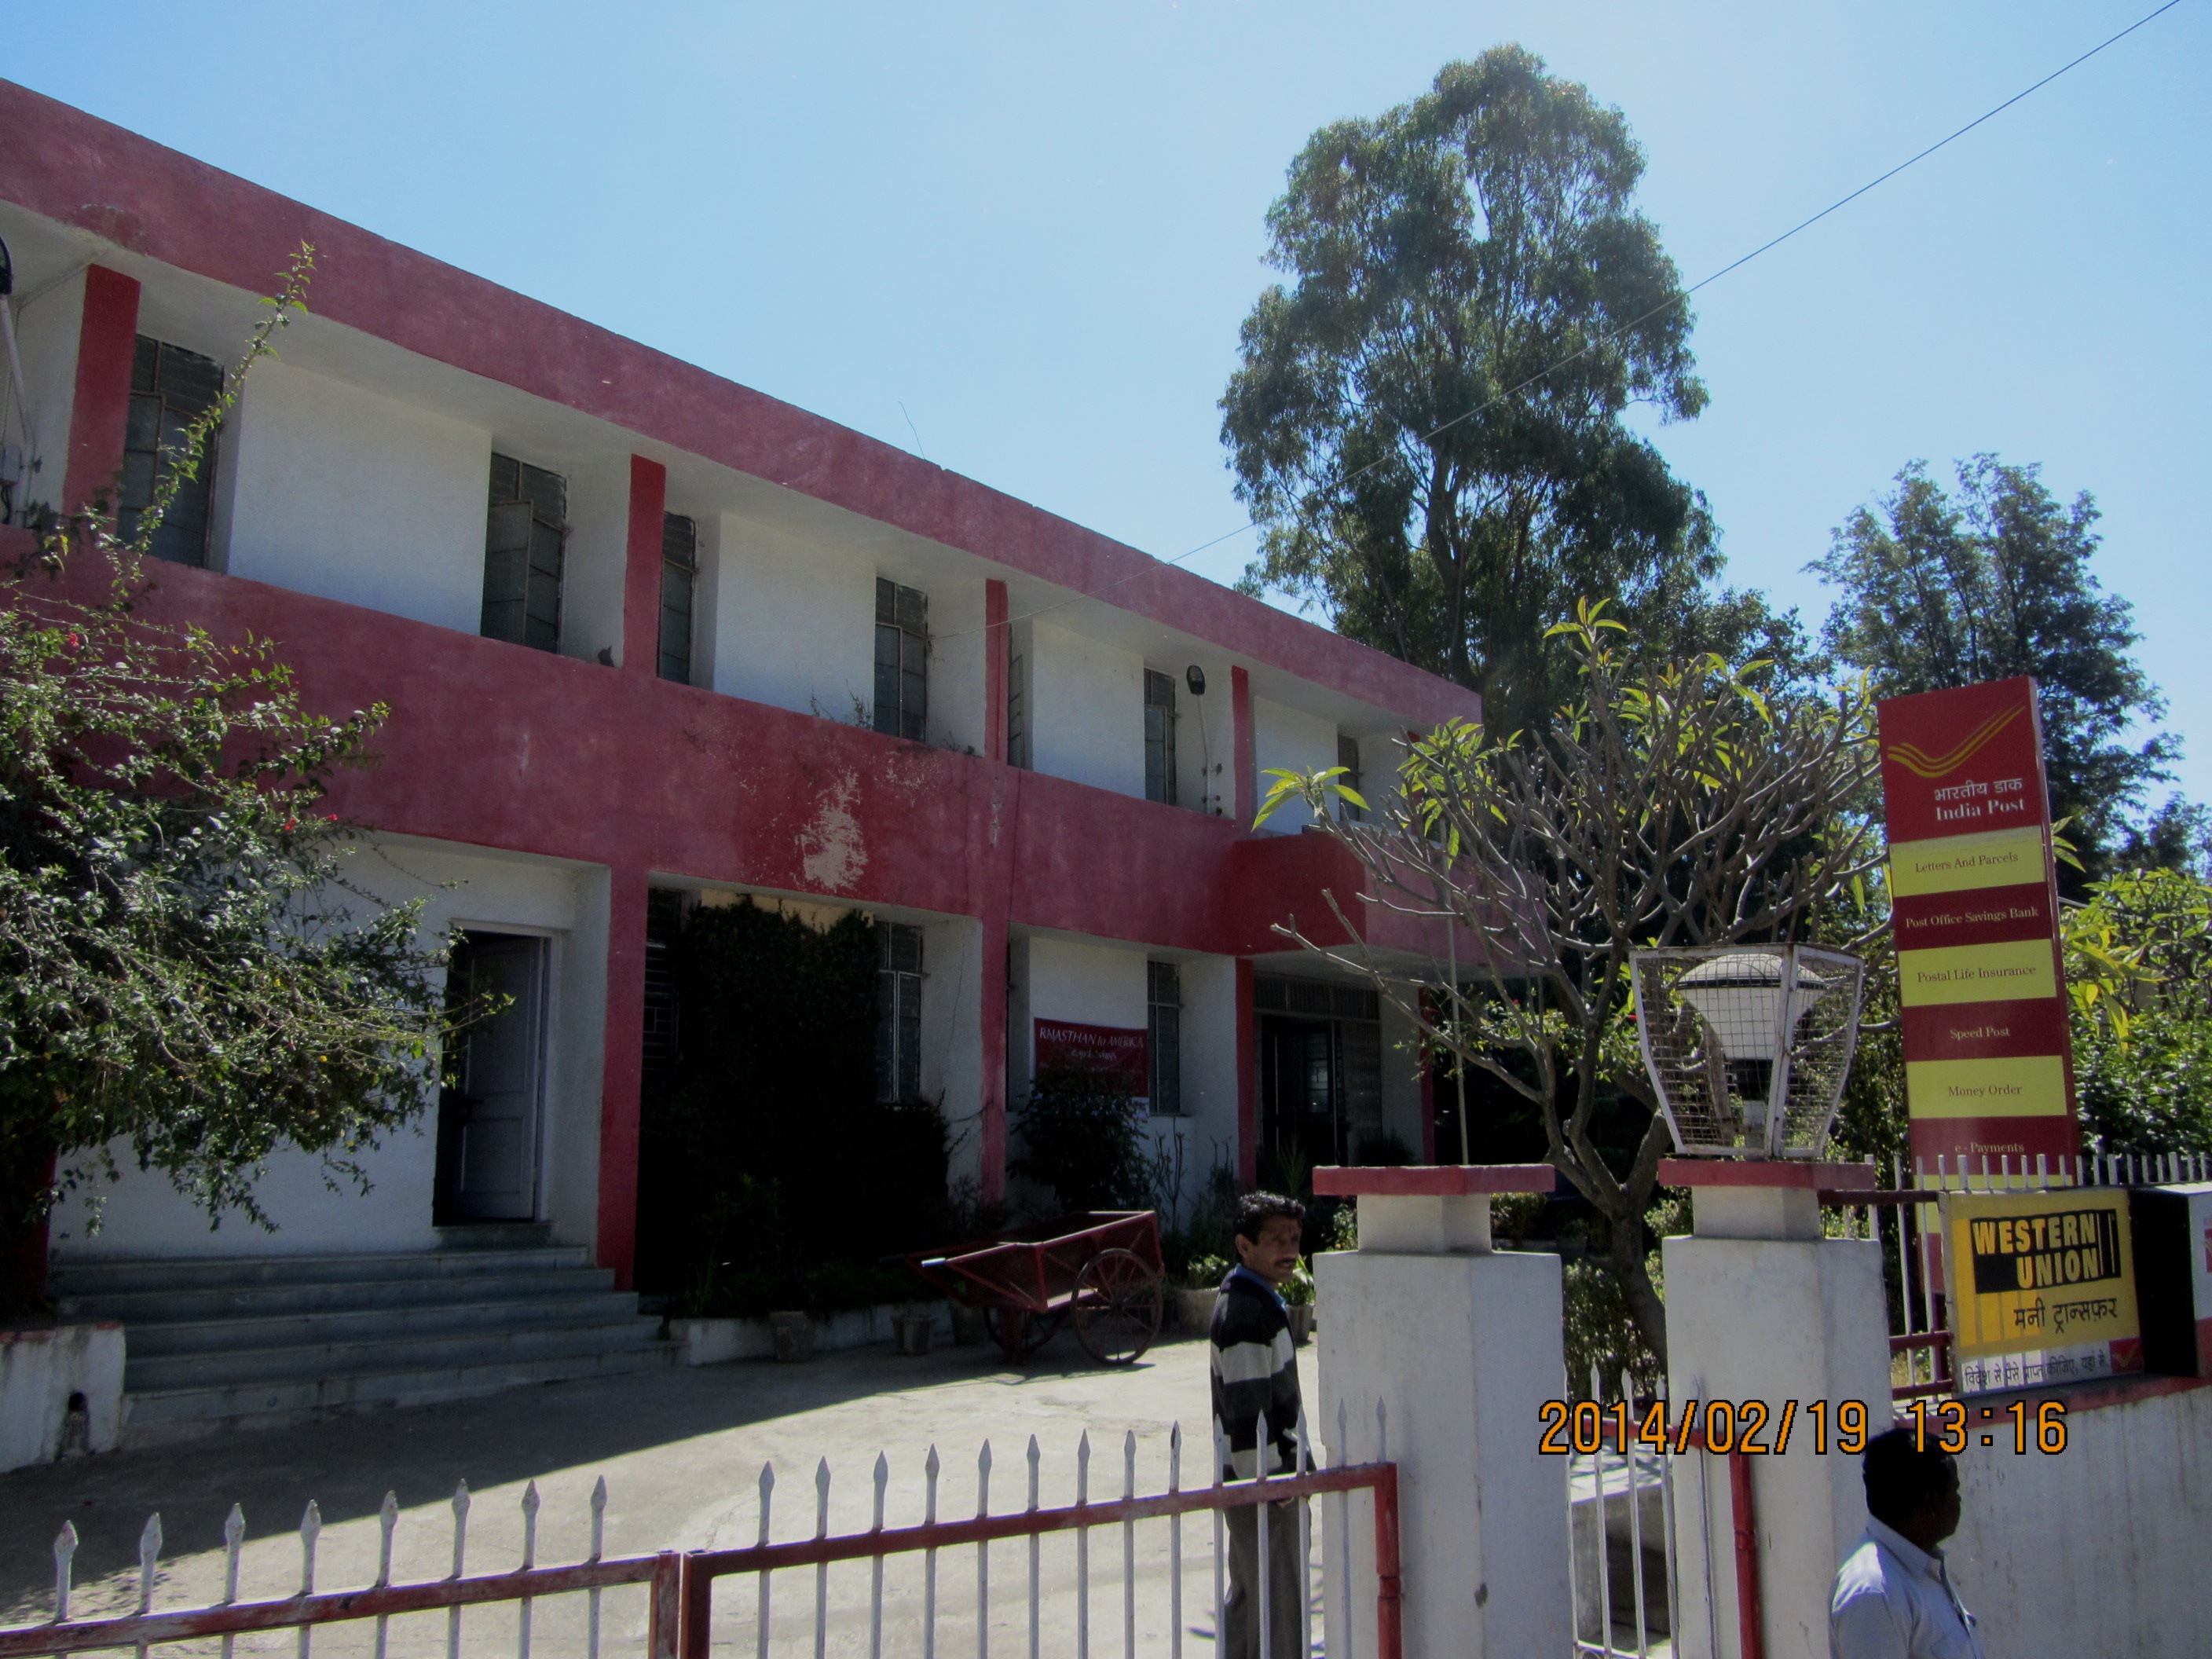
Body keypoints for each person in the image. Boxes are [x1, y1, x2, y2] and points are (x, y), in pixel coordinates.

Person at [1210, 1191, 1308, 1659]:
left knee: (1253, 1602)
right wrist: (1272, 1488)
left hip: (1264, 1486)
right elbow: (1248, 1415)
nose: (1288, 1249)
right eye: (1275, 1239)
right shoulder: (1247, 1314)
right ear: (1244, 1246)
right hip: (1266, 1488)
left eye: (1293, 1238)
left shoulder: (1260, 1301)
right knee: (1277, 1610)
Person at [1830, 1425, 1986, 1659]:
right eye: (1955, 1490)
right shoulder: (1875, 1591)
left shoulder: (1922, 1569)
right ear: (1931, 1502)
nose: (1959, 1500)